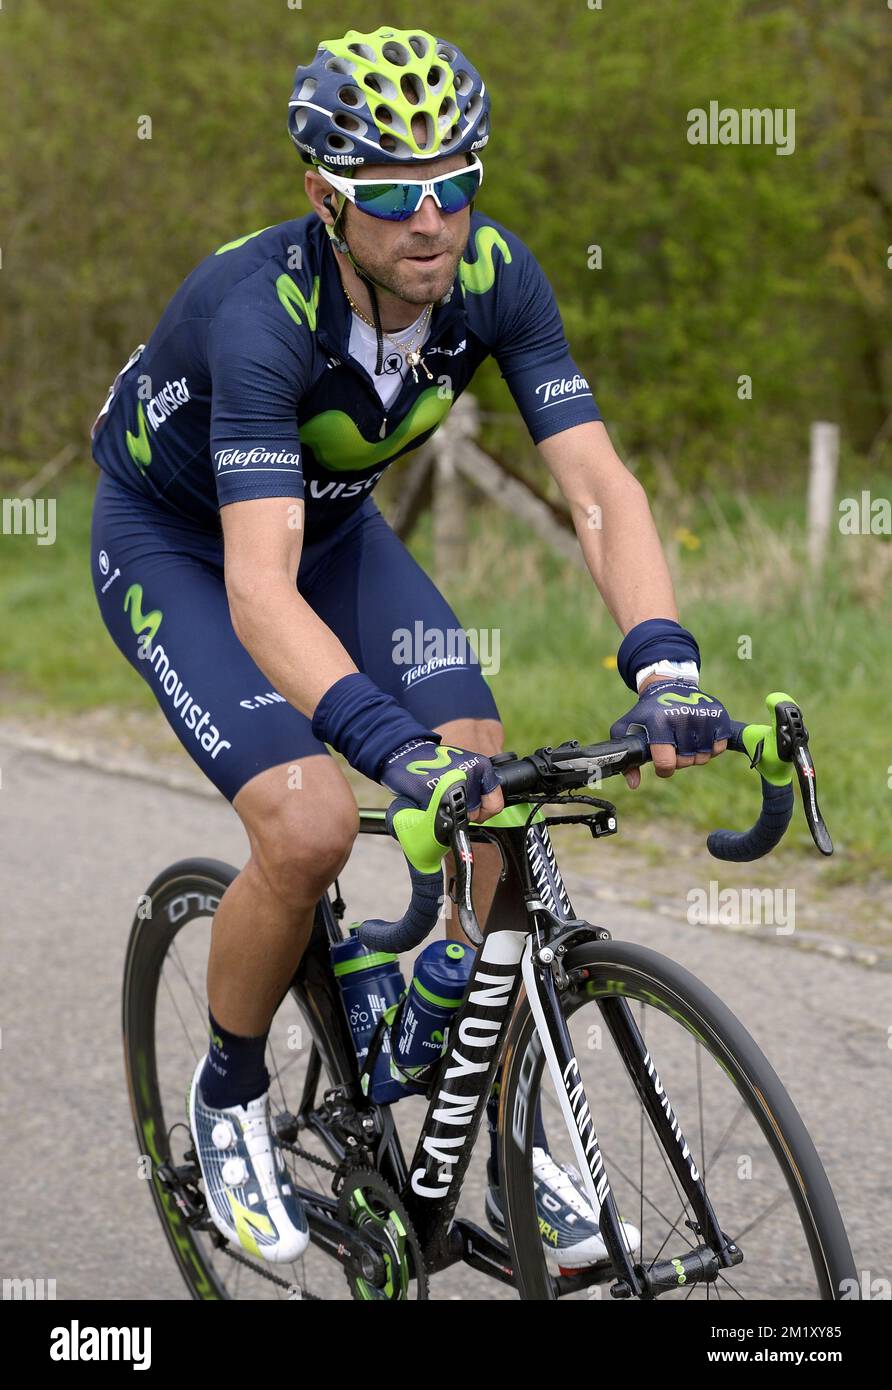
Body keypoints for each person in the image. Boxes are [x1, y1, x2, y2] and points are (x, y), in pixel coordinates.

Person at [90, 24, 730, 1271]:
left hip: (329, 532)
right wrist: (382, 745)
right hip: (180, 545)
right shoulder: (260, 314)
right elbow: (259, 591)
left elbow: (595, 481)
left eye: (455, 181)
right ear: (326, 199)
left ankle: (477, 1103)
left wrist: (665, 666)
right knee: (311, 818)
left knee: (486, 769)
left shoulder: (494, 274)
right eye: (392, 193)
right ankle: (229, 1095)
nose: (430, 219)